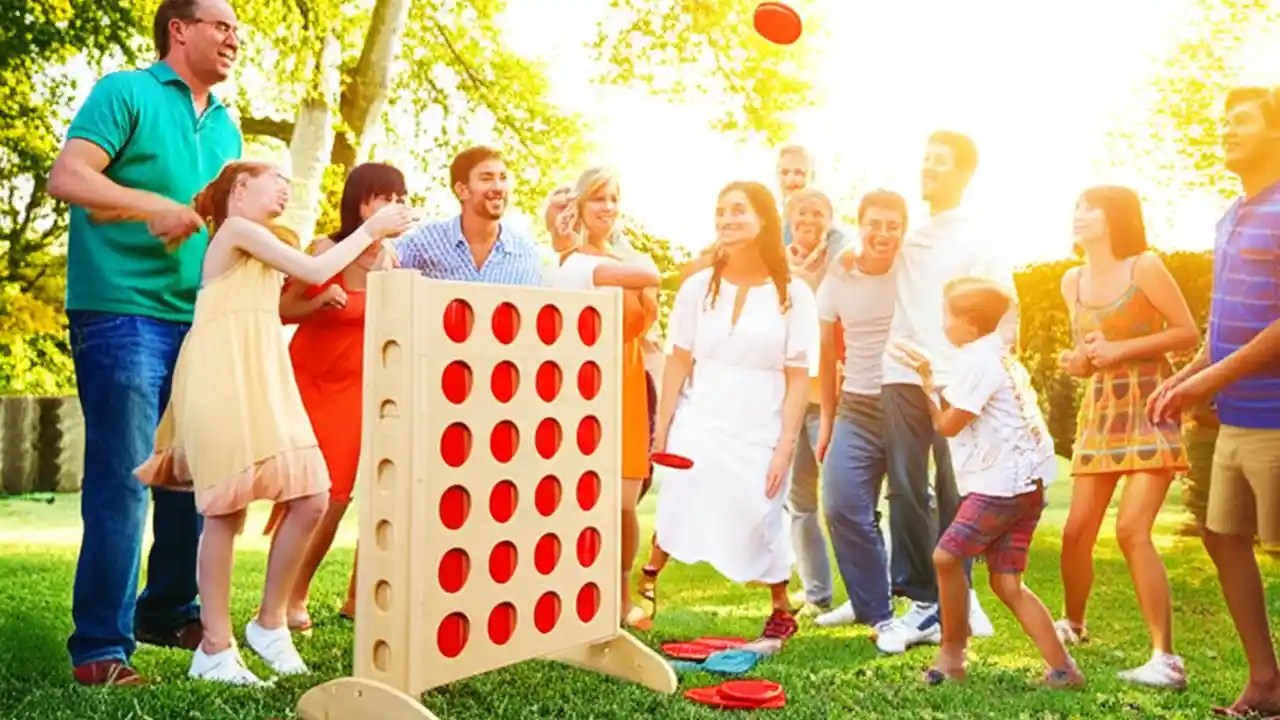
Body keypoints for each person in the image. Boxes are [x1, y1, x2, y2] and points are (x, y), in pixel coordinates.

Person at [134, 161, 415, 685]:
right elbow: (312, 272)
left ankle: (269, 622)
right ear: (240, 189)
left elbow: (311, 285)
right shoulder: (237, 231)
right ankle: (215, 647)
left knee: (312, 494)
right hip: (222, 371)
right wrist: (370, 230)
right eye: (275, 183)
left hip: (264, 370)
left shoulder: (264, 239)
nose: (286, 191)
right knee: (225, 509)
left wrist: (376, 249)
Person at [46, 0, 244, 686]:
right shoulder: (124, 91)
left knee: (190, 478)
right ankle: (100, 646)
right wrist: (152, 205)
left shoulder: (226, 124)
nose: (233, 37)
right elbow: (69, 177)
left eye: (237, 28)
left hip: (198, 319)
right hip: (120, 312)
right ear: (179, 28)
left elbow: (225, 226)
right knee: (126, 479)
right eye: (221, 24)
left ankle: (167, 609)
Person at [1150, 85, 1280, 718]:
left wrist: (1209, 379)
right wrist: (1188, 375)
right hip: (1233, 417)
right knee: (1222, 535)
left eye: (1243, 123)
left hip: (1276, 418)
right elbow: (1227, 320)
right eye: (1224, 121)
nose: (1227, 131)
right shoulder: (1231, 214)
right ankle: (1265, 683)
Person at [648, 181, 817, 643]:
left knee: (760, 507)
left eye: (738, 210)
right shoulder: (697, 287)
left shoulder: (794, 294)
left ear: (763, 219)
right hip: (702, 407)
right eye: (720, 211)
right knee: (684, 491)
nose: (726, 218)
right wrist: (660, 427)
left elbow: (799, 375)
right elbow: (679, 358)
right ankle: (647, 581)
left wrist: (786, 444)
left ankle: (780, 605)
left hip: (761, 413)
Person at [900, 277, 1081, 689]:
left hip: (1002, 487)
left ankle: (952, 657)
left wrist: (926, 385)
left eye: (947, 315)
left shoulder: (978, 361)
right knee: (1006, 582)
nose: (943, 323)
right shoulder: (995, 357)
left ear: (968, 323)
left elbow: (947, 424)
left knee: (946, 557)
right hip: (1024, 485)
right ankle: (1064, 670)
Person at [1055, 185, 1197, 689]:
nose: (1079, 214)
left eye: (1089, 206)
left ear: (1115, 216)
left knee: (1132, 530)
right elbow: (1085, 356)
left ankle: (1166, 659)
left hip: (1150, 406)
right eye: (1077, 205)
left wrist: (1120, 349)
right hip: (1100, 413)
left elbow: (1187, 333)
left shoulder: (1145, 267)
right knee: (1075, 533)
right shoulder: (1071, 280)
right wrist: (1079, 361)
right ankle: (1073, 624)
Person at [866, 131, 1002, 654]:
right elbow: (859, 254)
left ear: (964, 172)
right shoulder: (907, 235)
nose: (928, 168)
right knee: (903, 487)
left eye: (939, 162)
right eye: (924, 159)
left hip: (954, 380)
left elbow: (1000, 309)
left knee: (956, 490)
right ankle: (923, 601)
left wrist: (986, 373)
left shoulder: (977, 238)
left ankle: (959, 594)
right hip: (900, 373)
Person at [262, 162, 408, 630]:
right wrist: (318, 303)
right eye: (380, 197)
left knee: (337, 498)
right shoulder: (326, 250)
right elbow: (281, 309)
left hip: (356, 393)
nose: (391, 206)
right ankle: (275, 603)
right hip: (307, 383)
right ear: (359, 204)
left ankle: (298, 593)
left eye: (397, 198)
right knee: (304, 492)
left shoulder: (393, 263)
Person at [545, 167, 660, 629]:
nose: (608, 208)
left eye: (613, 198)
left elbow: (647, 313)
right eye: (597, 199)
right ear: (579, 206)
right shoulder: (574, 264)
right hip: (585, 386)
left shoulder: (617, 256)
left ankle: (618, 595)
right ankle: (571, 594)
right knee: (580, 498)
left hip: (630, 382)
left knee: (625, 503)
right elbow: (649, 274)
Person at [811, 190, 906, 631]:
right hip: (857, 405)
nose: (883, 233)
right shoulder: (840, 276)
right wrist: (828, 421)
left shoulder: (913, 269)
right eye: (875, 223)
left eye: (893, 225)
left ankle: (934, 607)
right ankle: (873, 607)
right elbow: (827, 354)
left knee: (913, 507)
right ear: (860, 224)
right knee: (842, 503)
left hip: (908, 405)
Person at [781, 187, 845, 616]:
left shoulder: (840, 259)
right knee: (799, 499)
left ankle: (872, 590)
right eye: (801, 212)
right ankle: (818, 593)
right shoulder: (778, 258)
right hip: (791, 394)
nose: (809, 219)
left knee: (844, 497)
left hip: (827, 396)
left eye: (818, 212)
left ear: (829, 219)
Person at [396, 146, 542, 285]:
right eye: (486, 179)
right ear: (462, 190)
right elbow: (383, 269)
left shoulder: (526, 255)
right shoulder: (424, 243)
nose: (498, 187)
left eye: (503, 178)